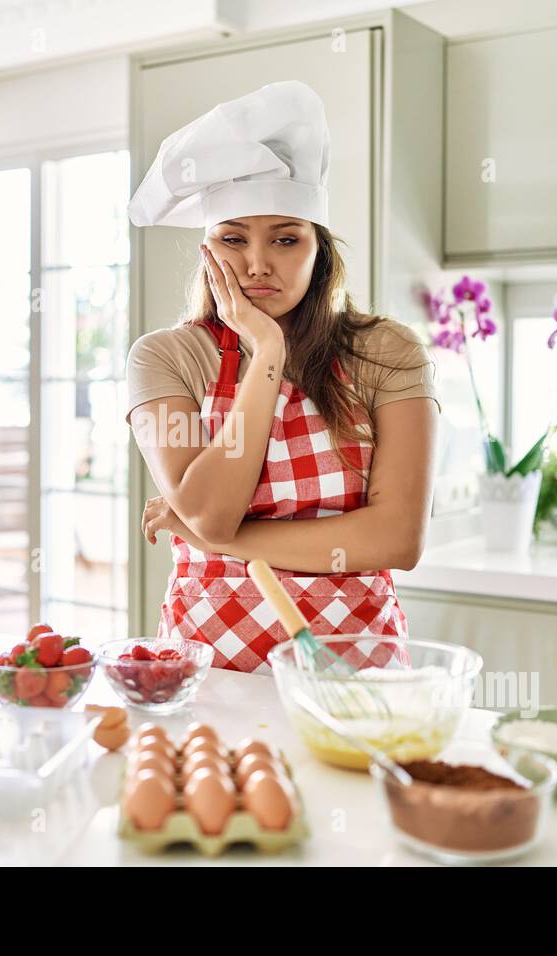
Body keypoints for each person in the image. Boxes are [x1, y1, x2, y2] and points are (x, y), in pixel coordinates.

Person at [125, 80, 441, 673]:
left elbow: (398, 539)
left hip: (353, 667)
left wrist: (218, 541)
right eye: (233, 239)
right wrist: (266, 350)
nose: (257, 265)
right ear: (206, 249)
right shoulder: (164, 359)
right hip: (211, 667)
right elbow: (211, 511)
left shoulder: (389, 352)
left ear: (319, 248)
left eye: (286, 239)